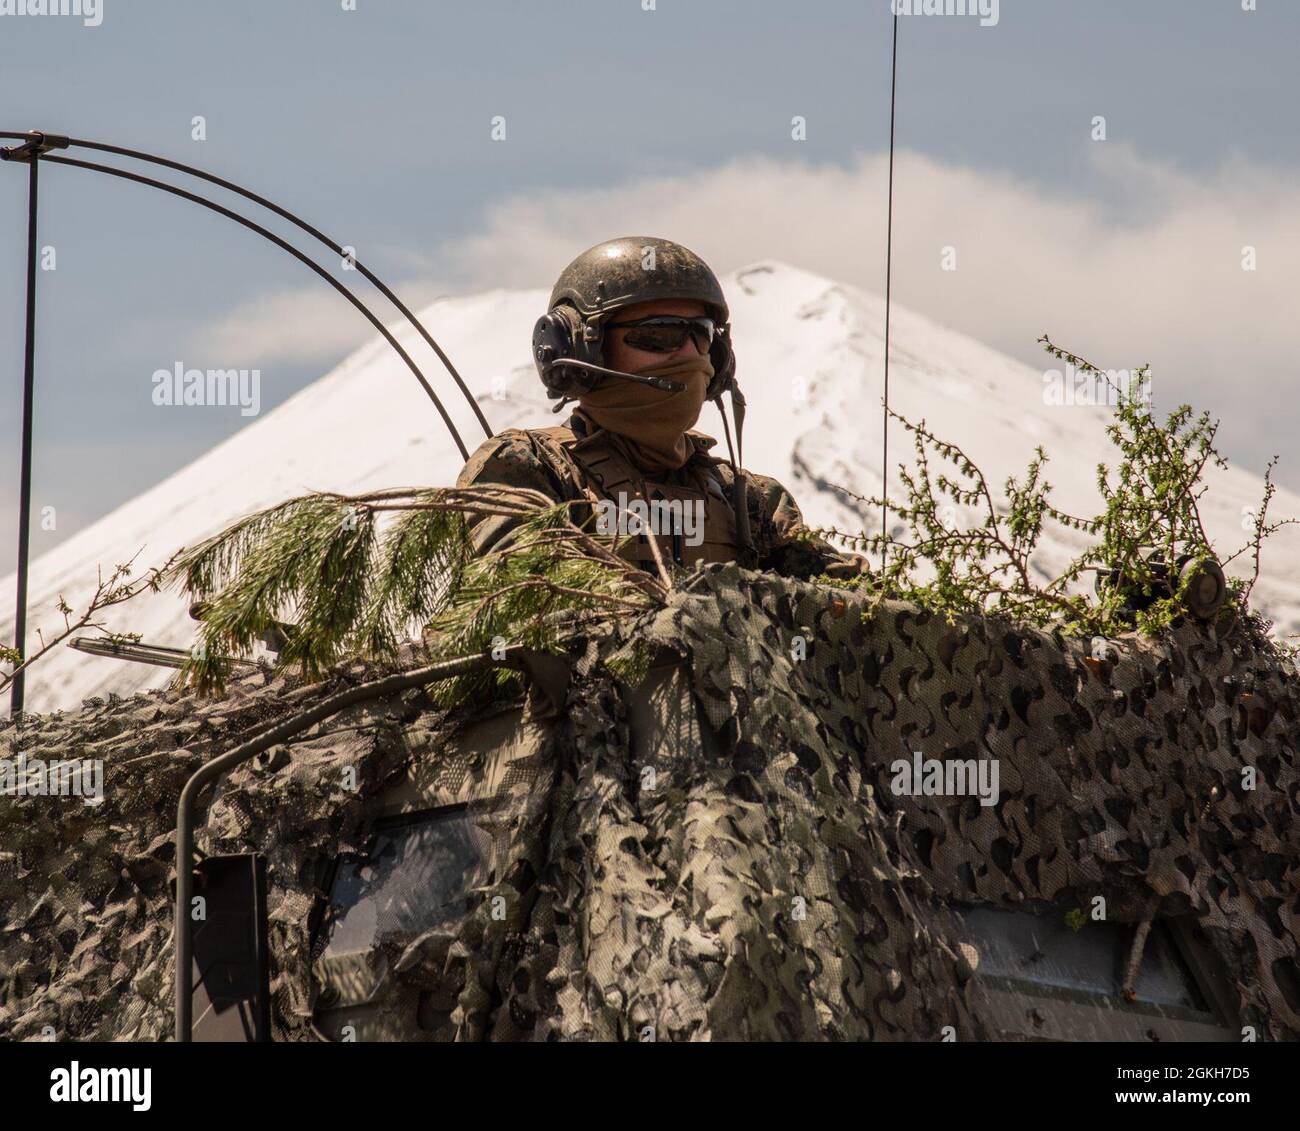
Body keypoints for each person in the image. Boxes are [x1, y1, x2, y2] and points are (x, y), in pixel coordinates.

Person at [456, 236, 864, 581]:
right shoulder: (525, 470)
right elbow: (529, 602)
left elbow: (853, 608)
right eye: (658, 335)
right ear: (583, 350)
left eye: (702, 336)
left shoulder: (751, 500)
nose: (690, 356)